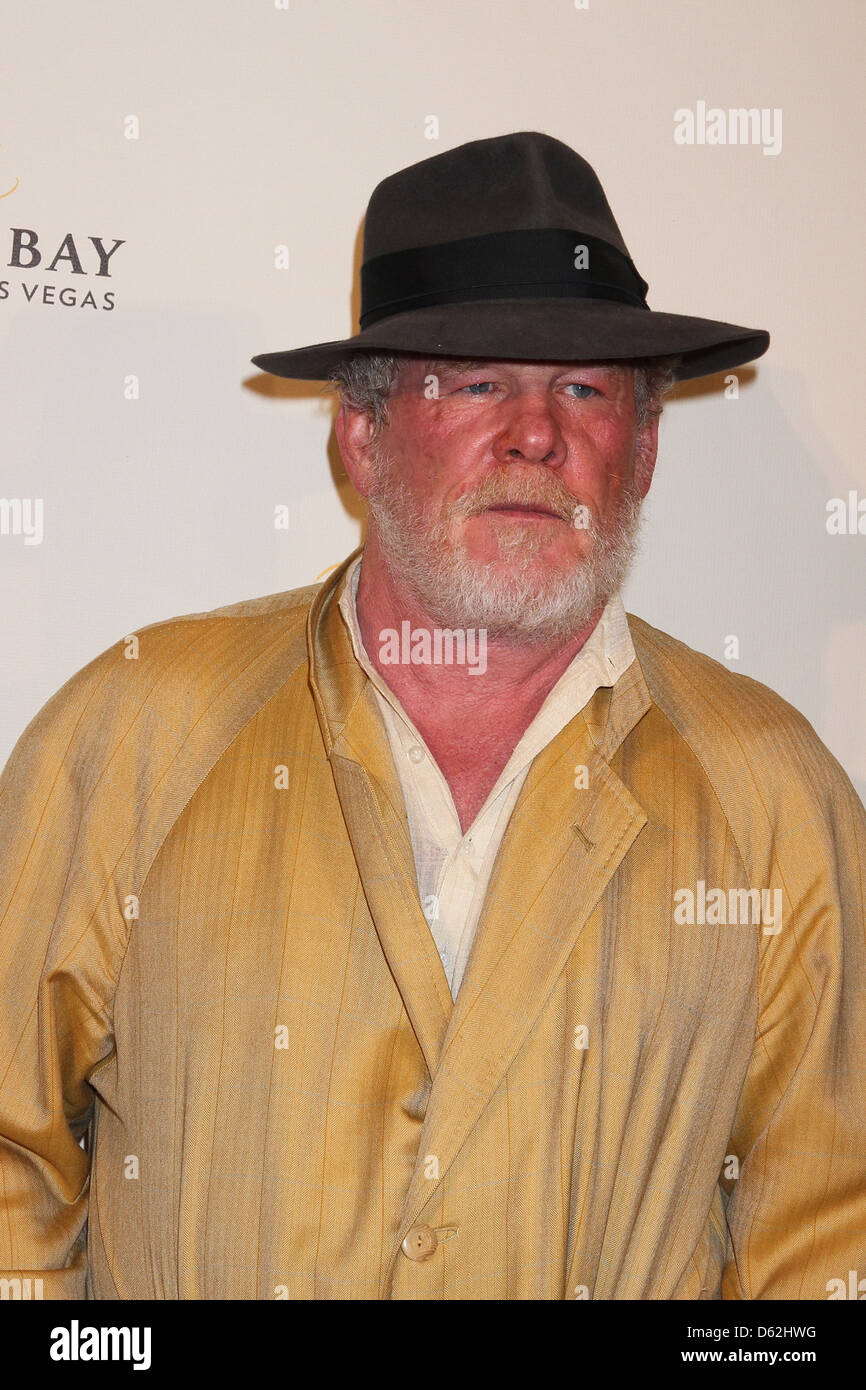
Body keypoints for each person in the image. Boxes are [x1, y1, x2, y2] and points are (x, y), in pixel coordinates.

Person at [1, 132, 863, 1301]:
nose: (533, 435)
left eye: (581, 389)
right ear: (360, 436)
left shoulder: (776, 796)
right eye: (472, 381)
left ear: (646, 450)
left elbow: (824, 1240)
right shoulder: (136, 728)